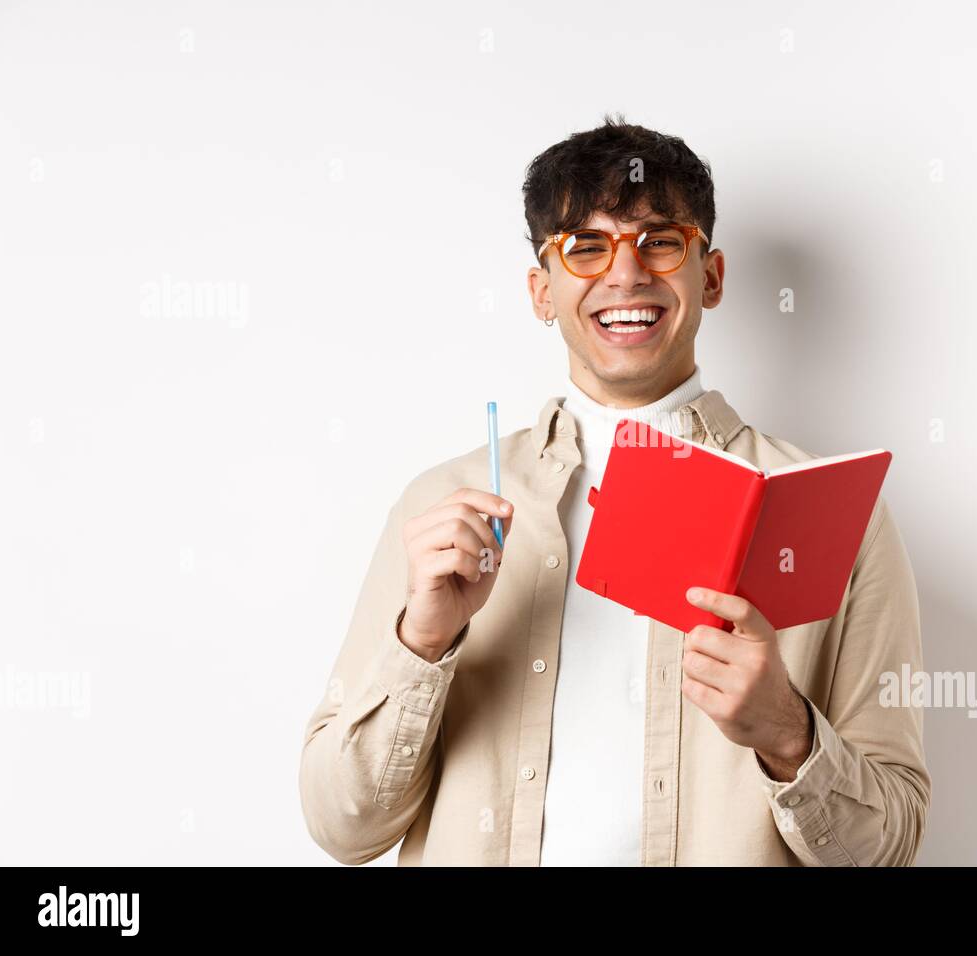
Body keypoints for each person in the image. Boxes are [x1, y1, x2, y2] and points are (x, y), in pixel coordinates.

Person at [299, 114, 930, 866]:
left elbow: (889, 847)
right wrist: (423, 641)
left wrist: (788, 734)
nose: (625, 275)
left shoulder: (834, 514)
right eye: (586, 247)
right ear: (542, 290)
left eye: (660, 241)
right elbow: (344, 827)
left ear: (713, 275)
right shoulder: (444, 505)